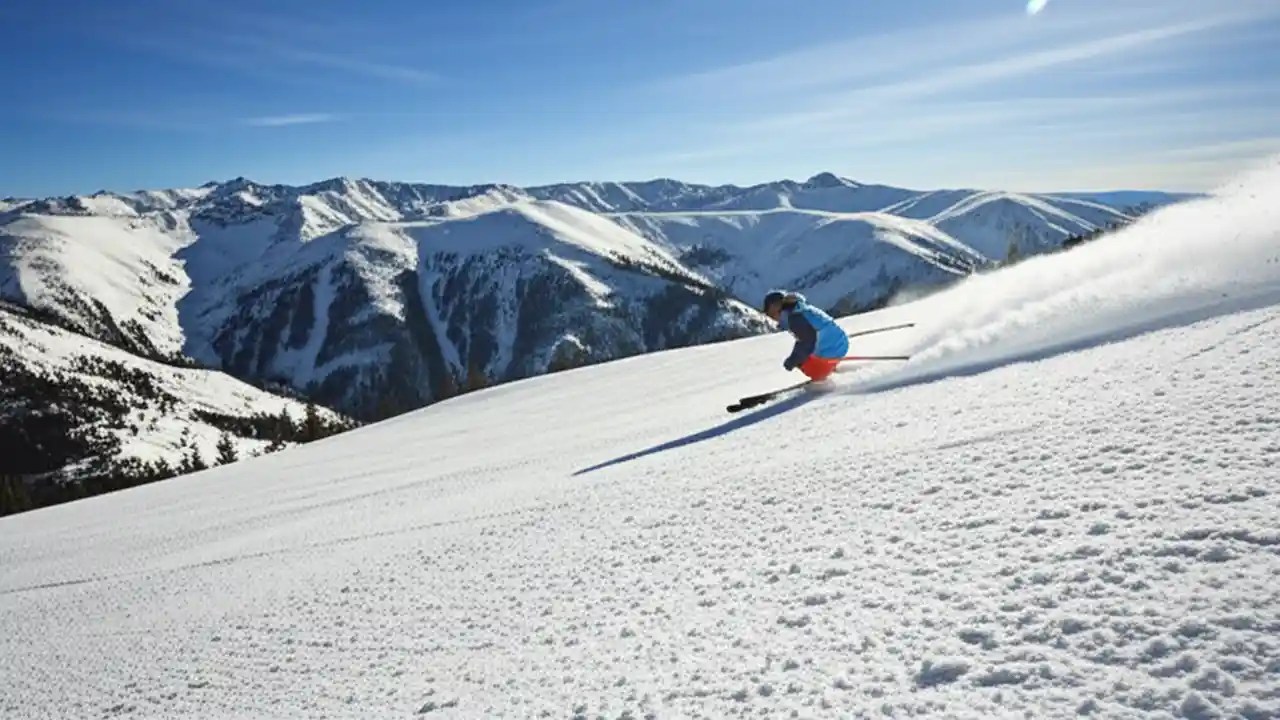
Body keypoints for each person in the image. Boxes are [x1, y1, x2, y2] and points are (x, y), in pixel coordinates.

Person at [762, 290, 849, 381]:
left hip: (832, 348)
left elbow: (806, 342)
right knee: (804, 358)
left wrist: (792, 361)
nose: (770, 316)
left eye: (769, 311)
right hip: (839, 342)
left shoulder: (795, 317)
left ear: (775, 306)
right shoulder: (799, 309)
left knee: (807, 366)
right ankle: (828, 369)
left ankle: (821, 379)